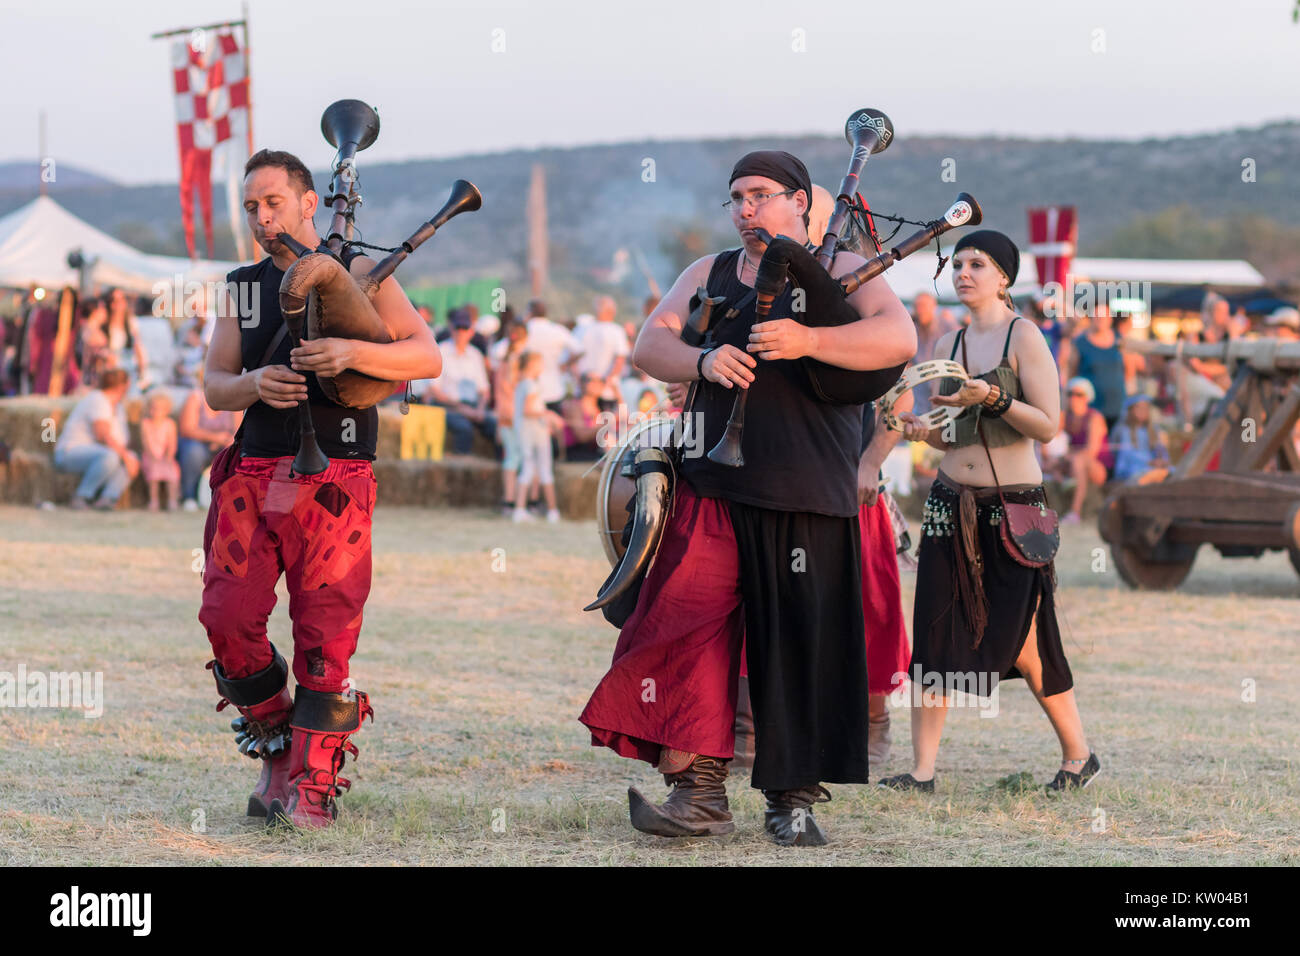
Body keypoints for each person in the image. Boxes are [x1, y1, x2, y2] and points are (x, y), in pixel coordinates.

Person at [578, 149, 915, 847]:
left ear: (800, 203)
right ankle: (697, 794)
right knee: (681, 630)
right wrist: (701, 360)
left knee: (795, 647)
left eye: (761, 194)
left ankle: (791, 801)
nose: (745, 208)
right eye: (735, 197)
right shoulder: (709, 272)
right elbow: (651, 344)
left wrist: (809, 337)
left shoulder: (846, 272)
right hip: (713, 485)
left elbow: (896, 338)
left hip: (806, 491)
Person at [199, 148, 442, 829]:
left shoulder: (358, 270)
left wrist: (352, 354)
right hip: (251, 471)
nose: (260, 217)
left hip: (336, 477)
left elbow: (425, 355)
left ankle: (312, 783)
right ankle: (279, 743)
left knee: (324, 634)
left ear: (310, 202)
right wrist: (253, 385)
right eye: (250, 206)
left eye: (272, 202)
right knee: (227, 618)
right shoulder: (241, 286)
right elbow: (216, 383)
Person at [883, 230, 1099, 795]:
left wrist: (993, 397)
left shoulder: (1023, 336)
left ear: (1003, 276)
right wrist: (917, 432)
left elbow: (1048, 424)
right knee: (932, 630)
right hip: (949, 503)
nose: (963, 272)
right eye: (958, 263)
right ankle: (923, 771)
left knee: (1027, 638)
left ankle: (1079, 754)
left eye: (977, 264)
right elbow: (951, 439)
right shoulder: (947, 345)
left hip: (1016, 509)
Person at [413, 310, 495, 455]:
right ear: (452, 329)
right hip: (446, 406)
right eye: (458, 328)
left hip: (471, 406)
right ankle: (462, 464)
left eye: (465, 329)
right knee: (464, 429)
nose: (461, 332)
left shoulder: (475, 355)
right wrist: (463, 408)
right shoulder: (441, 351)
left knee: (495, 426)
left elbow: (484, 390)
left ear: (471, 332)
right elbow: (435, 391)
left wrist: (481, 409)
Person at [53, 367, 137, 510]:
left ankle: (108, 499)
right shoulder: (98, 399)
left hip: (97, 454)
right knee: (112, 456)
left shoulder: (119, 407)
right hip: (70, 452)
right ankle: (81, 496)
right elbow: (102, 435)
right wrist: (124, 456)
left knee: (130, 457)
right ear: (123, 386)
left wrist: (128, 457)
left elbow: (120, 441)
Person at [178, 364, 241, 510]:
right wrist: (215, 438)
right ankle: (189, 496)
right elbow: (187, 429)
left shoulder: (232, 398)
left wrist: (228, 440)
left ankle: (230, 497)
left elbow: (237, 429)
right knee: (194, 452)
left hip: (223, 442)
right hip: (198, 442)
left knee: (235, 452)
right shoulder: (196, 397)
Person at [512, 350, 563, 522]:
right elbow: (528, 410)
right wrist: (549, 415)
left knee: (527, 468)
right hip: (535, 433)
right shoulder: (531, 385)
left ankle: (520, 509)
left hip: (526, 432)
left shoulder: (522, 384)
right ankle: (552, 510)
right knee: (543, 469)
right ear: (532, 365)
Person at [1057, 377, 1111, 523]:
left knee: (1078, 461)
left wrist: (1069, 455)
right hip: (1073, 461)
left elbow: (1091, 451)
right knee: (1052, 462)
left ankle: (1075, 511)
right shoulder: (1065, 416)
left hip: (1097, 467)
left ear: (1087, 397)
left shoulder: (1094, 418)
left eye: (1079, 394)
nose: (1074, 398)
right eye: (1070, 394)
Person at [1068, 302, 1127, 431]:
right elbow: (1072, 375)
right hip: (1091, 411)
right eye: (1097, 315)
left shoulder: (1120, 340)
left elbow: (1128, 368)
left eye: (1104, 316)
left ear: (1110, 318)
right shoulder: (1080, 343)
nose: (1101, 319)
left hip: (1118, 407)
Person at [492, 321, 528, 513]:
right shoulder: (516, 362)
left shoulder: (503, 363)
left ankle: (510, 499)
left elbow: (498, 393)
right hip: (516, 414)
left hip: (505, 413)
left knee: (511, 457)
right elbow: (513, 390)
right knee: (518, 457)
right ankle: (515, 500)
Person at [574, 295, 631, 412]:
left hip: (584, 389)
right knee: (606, 426)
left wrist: (580, 380)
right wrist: (605, 381)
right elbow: (620, 360)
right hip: (607, 391)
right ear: (612, 311)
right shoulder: (616, 331)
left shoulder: (581, 329)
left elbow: (572, 358)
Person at [523, 299, 582, 413]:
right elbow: (579, 350)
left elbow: (498, 351)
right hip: (555, 388)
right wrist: (565, 365)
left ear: (529, 312)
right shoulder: (557, 330)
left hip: (528, 390)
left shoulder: (525, 329)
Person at [1110, 394, 1169, 484]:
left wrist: (1161, 460)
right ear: (1130, 410)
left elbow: (1160, 450)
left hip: (1153, 468)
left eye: (1145, 407)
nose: (1143, 411)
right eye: (1139, 407)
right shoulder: (1123, 430)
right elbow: (1125, 456)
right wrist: (1149, 462)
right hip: (1130, 471)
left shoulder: (1153, 430)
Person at [140, 390, 181, 511]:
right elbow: (146, 443)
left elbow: (172, 443)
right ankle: (154, 500)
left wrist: (168, 456)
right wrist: (153, 456)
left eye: (159, 409)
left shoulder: (170, 424)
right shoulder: (146, 423)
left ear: (167, 410)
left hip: (166, 457)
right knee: (154, 473)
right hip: (151, 456)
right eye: (153, 408)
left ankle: (172, 500)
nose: (155, 411)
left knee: (172, 473)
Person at [103, 287, 148, 386]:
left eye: (121, 300)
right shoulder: (105, 325)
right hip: (111, 375)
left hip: (128, 372)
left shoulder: (131, 323)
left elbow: (138, 346)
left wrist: (142, 370)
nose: (118, 304)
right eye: (114, 301)